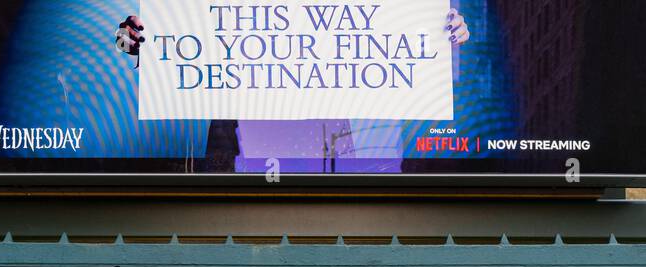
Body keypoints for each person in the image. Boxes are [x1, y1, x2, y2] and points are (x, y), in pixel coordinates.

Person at [114, 9, 471, 172]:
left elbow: (401, 33)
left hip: (328, 148)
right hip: (243, 145)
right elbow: (176, 33)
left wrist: (445, 31)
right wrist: (135, 38)